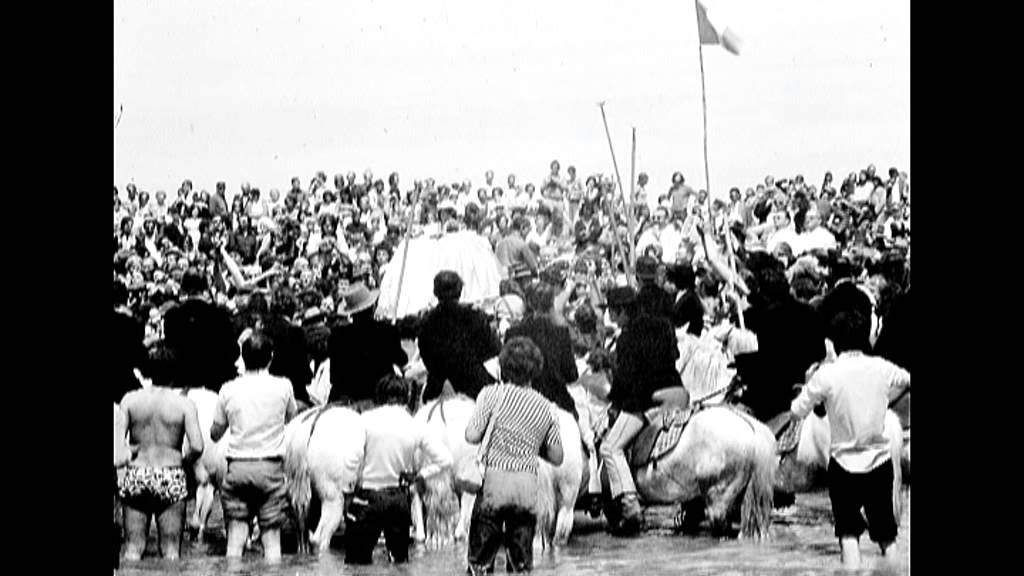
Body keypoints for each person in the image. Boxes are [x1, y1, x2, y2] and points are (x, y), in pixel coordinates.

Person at [789, 311, 909, 569]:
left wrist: (811, 390)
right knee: (888, 539)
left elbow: (797, 410)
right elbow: (907, 379)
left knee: (849, 537)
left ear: (831, 343)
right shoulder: (882, 368)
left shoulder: (826, 375)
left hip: (843, 467)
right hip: (880, 463)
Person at [465, 337, 564, 575]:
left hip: (494, 487)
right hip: (527, 490)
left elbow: (471, 435)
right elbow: (557, 456)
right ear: (535, 370)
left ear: (503, 366)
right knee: (521, 567)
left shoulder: (490, 394)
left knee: (480, 564)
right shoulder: (546, 407)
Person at [600, 285, 682, 535]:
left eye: (612, 311)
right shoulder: (665, 325)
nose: (611, 317)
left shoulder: (625, 338)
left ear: (622, 310)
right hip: (677, 393)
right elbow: (675, 356)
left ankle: (629, 503)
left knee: (610, 448)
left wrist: (614, 401)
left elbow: (627, 382)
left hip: (645, 402)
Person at [345, 375, 453, 565]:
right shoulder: (415, 424)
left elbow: (351, 458)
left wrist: (349, 488)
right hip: (398, 500)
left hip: (367, 498)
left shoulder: (365, 420)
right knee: (400, 564)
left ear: (378, 395)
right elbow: (445, 459)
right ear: (407, 396)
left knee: (356, 565)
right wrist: (420, 476)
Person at [210, 331, 298, 561]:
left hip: (237, 469)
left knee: (235, 540)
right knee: (271, 541)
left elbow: (215, 433)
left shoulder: (227, 389)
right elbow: (291, 417)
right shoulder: (284, 386)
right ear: (271, 357)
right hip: (270, 470)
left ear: (243, 357)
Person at [118, 345, 205, 561]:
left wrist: (132, 451)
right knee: (171, 552)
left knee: (132, 550)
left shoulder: (130, 400)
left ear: (147, 370)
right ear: (175, 372)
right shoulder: (184, 405)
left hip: (137, 474)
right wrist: (183, 461)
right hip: (171, 474)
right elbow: (197, 446)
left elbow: (117, 445)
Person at [418, 271, 502, 402]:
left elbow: (425, 354)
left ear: (435, 292)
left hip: (438, 386)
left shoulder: (426, 321)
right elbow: (494, 348)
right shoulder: (474, 316)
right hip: (474, 384)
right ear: (460, 290)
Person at [505, 282, 580, 420]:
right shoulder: (560, 333)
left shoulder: (512, 333)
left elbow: (507, 376)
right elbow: (571, 375)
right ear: (551, 301)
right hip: (558, 402)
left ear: (528, 303)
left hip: (525, 408)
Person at [328, 282, 408, 408]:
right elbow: (402, 360)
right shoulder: (387, 331)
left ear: (350, 312)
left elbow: (334, 377)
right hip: (381, 397)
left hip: (349, 398)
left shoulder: (337, 336)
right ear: (371, 307)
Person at [162, 269, 239, 393]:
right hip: (215, 384)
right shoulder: (219, 315)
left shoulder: (172, 316)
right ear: (206, 287)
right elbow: (233, 351)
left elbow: (169, 352)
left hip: (182, 383)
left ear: (183, 288)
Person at [494, 216, 539, 282]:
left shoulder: (500, 244)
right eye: (528, 230)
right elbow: (533, 267)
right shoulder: (522, 244)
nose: (527, 234)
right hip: (518, 282)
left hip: (501, 281)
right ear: (522, 228)